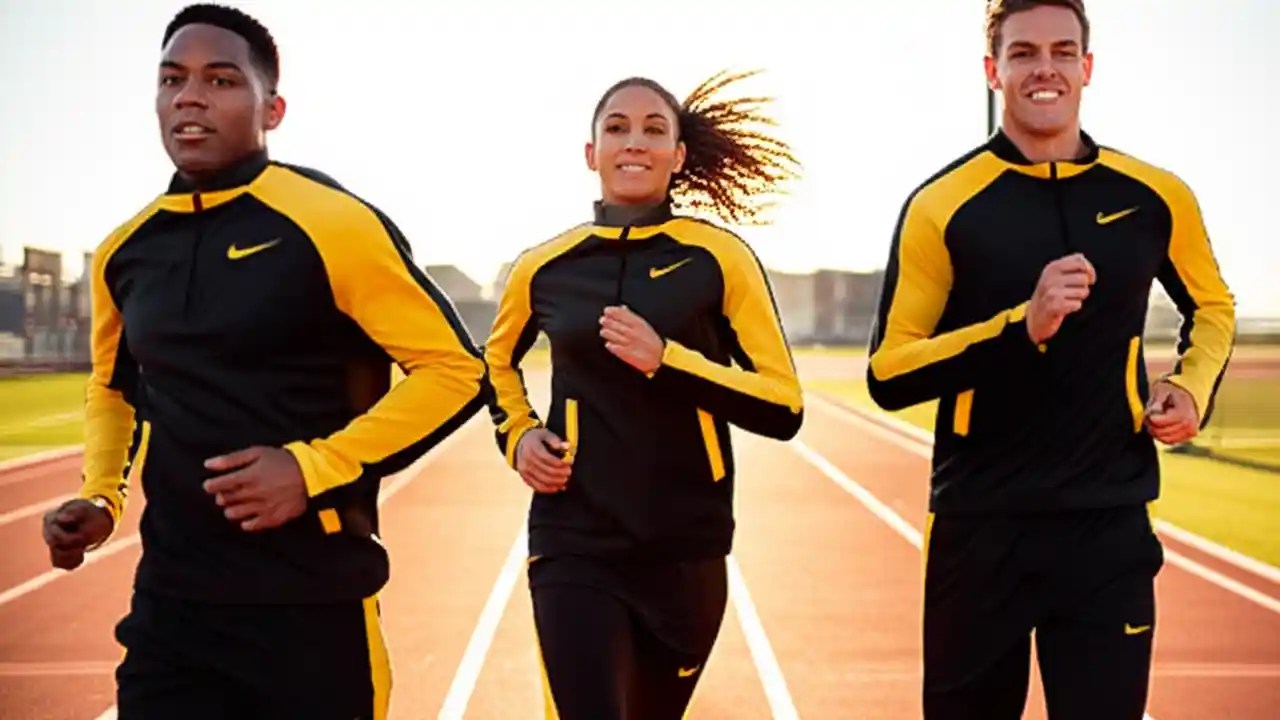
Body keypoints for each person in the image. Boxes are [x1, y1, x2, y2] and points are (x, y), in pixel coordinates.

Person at [38, 4, 488, 718]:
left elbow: (455, 370)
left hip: (310, 609)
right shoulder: (126, 251)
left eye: (220, 80)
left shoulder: (332, 222)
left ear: (271, 109)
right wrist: (100, 496)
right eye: (172, 79)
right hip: (171, 612)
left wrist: (312, 468)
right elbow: (115, 388)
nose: (190, 97)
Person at [866, 1, 1236, 718]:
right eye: (1024, 53)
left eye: (1063, 52)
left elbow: (1213, 306)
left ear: (1086, 67)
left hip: (1108, 525)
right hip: (980, 527)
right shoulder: (942, 205)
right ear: (993, 71)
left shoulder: (1154, 196)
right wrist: (1021, 327)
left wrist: (1191, 388)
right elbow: (890, 372)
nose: (1046, 69)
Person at [484, 69, 804, 719]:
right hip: (573, 540)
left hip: (686, 546)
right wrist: (519, 435)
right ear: (591, 153)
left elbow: (783, 405)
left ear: (678, 156)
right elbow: (493, 362)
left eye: (654, 130)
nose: (635, 141)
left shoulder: (719, 259)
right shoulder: (543, 267)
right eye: (617, 128)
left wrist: (668, 362)